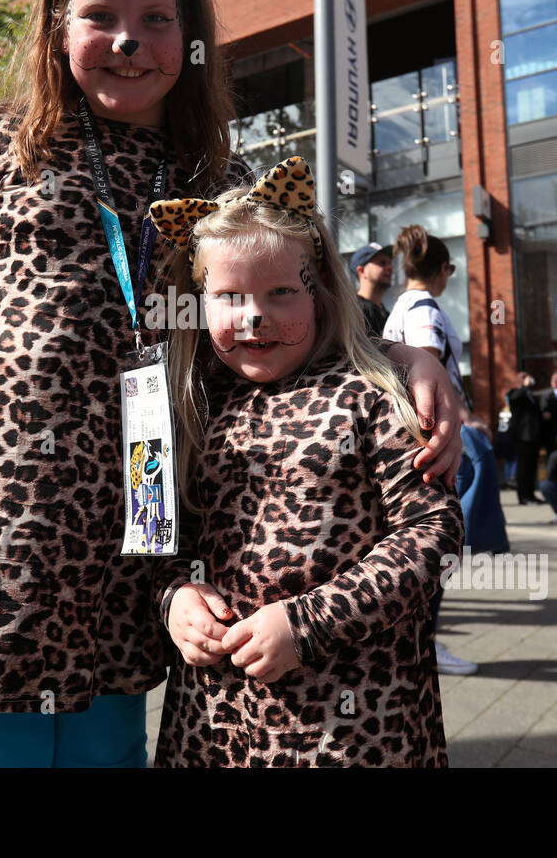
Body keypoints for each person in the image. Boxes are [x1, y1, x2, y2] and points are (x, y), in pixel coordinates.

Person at [0, 0, 464, 770]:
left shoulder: (214, 168)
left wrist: (407, 345)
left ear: (192, 33)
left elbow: (302, 287)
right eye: (99, 17)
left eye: (156, 18)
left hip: (141, 508)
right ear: (56, 30)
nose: (128, 40)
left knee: (107, 732)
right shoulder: (1, 143)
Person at [149, 158, 463, 767]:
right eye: (230, 297)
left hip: (354, 723)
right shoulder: (191, 405)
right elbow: (162, 537)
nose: (255, 315)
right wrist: (175, 599)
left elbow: (433, 533)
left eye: (281, 293)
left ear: (318, 290)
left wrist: (309, 624)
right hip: (215, 724)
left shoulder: (370, 392)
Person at [385, 223, 506, 678]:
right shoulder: (425, 308)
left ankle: (420, 642)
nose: (451, 275)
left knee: (430, 545)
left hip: (422, 437)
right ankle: (423, 645)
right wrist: (460, 421)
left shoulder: (401, 305)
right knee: (442, 544)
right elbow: (426, 368)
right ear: (440, 270)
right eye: (451, 269)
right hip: (439, 439)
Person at [506, 371, 543, 505]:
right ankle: (524, 497)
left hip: (534, 436)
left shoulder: (530, 394)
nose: (526, 379)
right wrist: (524, 386)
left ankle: (531, 495)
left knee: (532, 468)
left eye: (527, 376)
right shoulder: (514, 392)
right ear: (518, 380)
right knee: (523, 468)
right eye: (523, 377)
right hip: (522, 437)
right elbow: (515, 398)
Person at [350, 241, 392, 338]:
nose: (389, 267)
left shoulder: (387, 313)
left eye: (390, 262)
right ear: (361, 271)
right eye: (382, 263)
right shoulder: (355, 310)